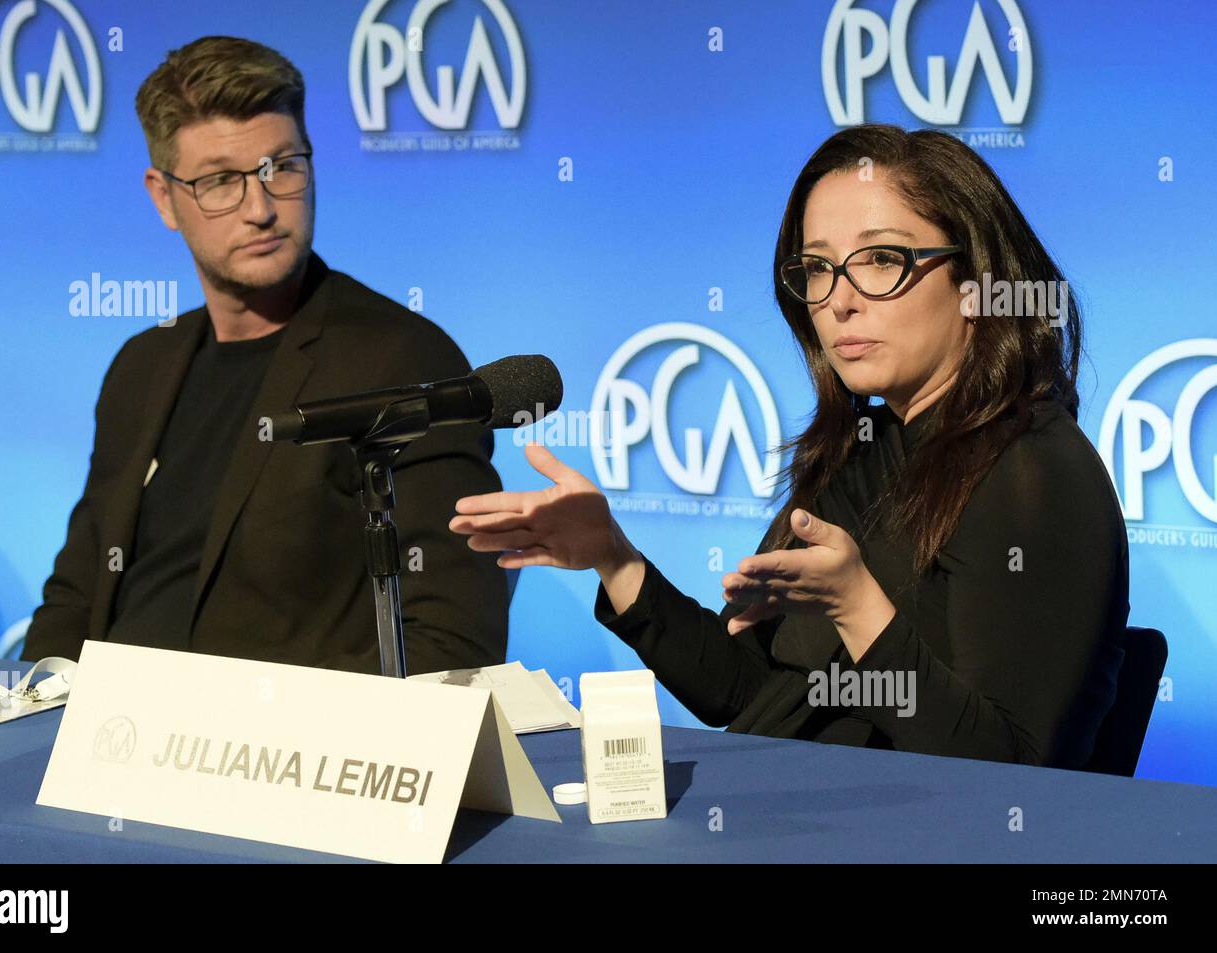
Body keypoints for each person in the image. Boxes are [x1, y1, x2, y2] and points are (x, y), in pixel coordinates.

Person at [450, 124, 1129, 769]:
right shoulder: (866, 452)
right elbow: (748, 694)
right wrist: (614, 557)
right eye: (818, 268)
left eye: (882, 259)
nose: (839, 301)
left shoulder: (1034, 471)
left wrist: (858, 607)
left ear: (975, 278)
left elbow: (1009, 777)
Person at [22, 36, 508, 674]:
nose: (261, 208)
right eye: (221, 181)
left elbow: (451, 636)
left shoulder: (402, 356)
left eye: (282, 166)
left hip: (281, 757)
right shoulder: (140, 366)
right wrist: (34, 716)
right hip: (112, 741)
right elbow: (78, 592)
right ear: (164, 198)